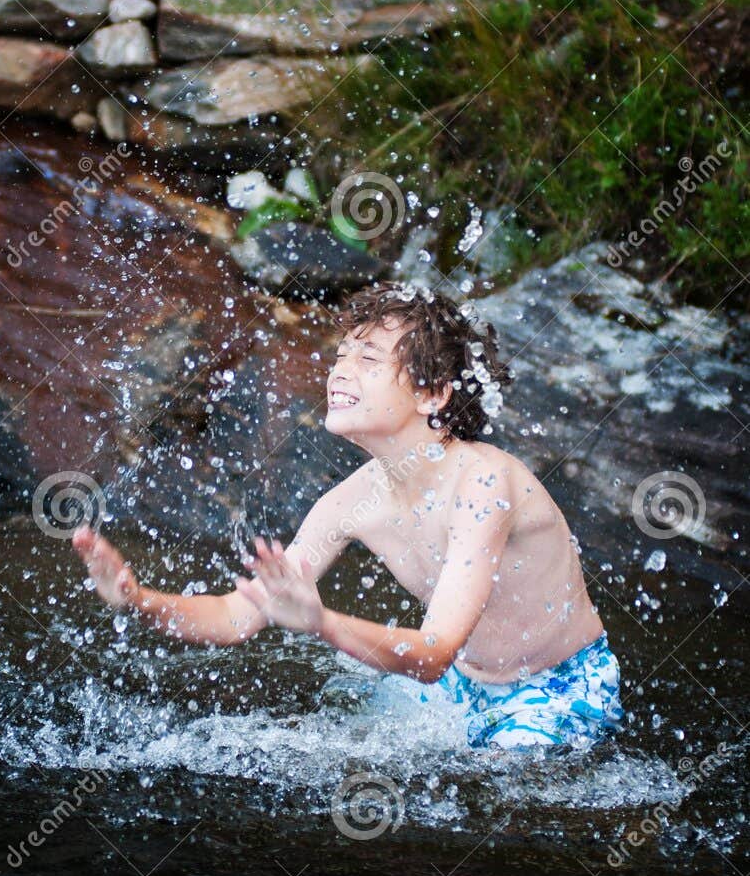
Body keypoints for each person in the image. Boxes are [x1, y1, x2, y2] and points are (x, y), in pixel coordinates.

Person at [73, 282, 622, 751]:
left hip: (560, 686)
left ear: (432, 394)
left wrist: (323, 623)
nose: (340, 372)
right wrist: (137, 598)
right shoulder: (349, 502)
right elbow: (235, 617)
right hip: (458, 687)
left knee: (489, 807)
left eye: (368, 360)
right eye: (340, 356)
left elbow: (433, 653)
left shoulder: (483, 484)